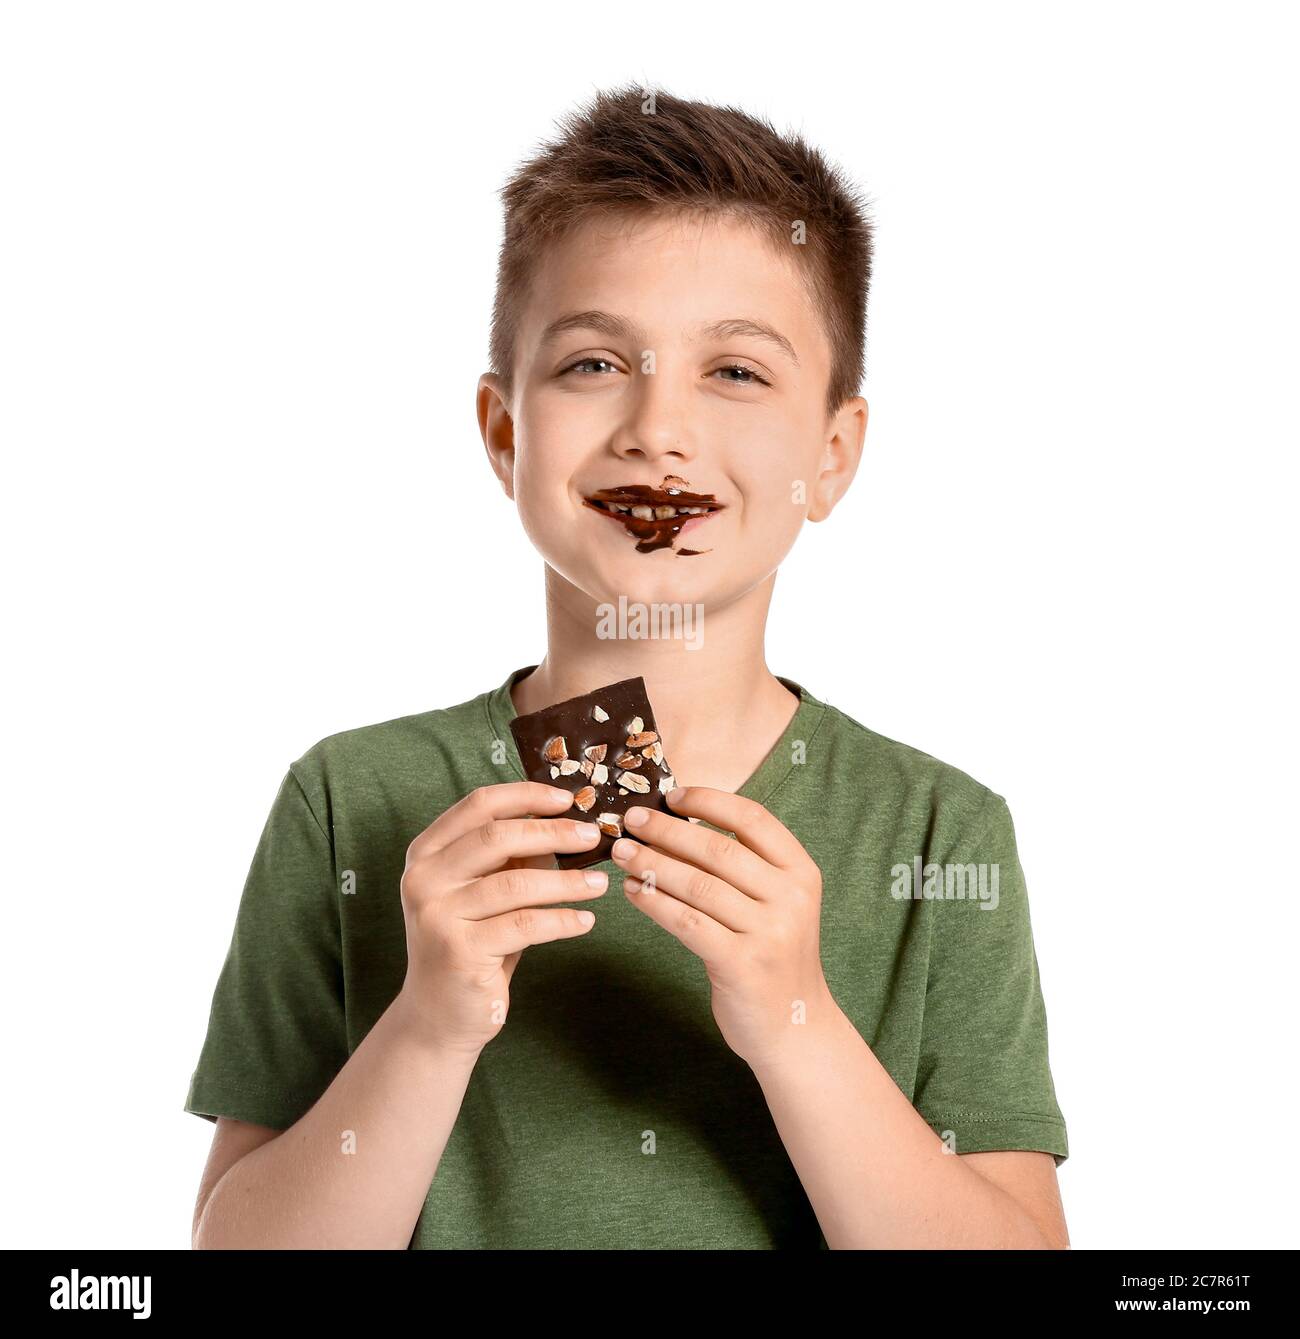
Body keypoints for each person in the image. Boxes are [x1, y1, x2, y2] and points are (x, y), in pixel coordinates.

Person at [185, 84, 1070, 1249]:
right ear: (505, 437)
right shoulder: (349, 802)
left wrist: (796, 1020)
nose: (658, 428)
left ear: (831, 455)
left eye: (737, 372)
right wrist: (428, 1024)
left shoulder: (937, 832)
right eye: (595, 363)